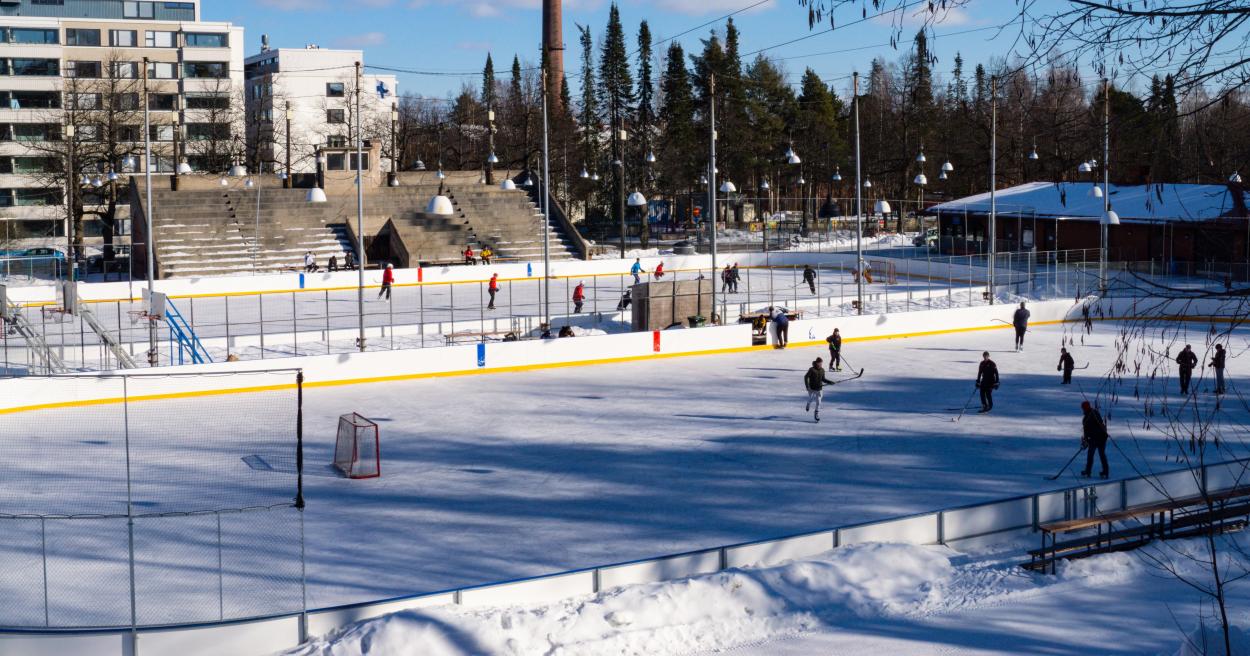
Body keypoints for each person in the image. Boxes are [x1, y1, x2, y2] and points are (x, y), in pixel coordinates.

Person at [1080, 400, 1109, 479]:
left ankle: (1088, 471)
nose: (1082, 410)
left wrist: (1085, 440)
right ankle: (1105, 471)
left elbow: (1086, 431)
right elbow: (1101, 423)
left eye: (1083, 408)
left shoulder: (1088, 417)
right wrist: (1085, 440)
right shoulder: (1095, 412)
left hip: (1095, 438)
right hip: (1102, 437)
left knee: (1091, 455)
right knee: (1101, 455)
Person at [804, 357, 836, 422]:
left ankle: (816, 414)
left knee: (819, 402)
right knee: (811, 399)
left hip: (819, 389)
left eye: (821, 363)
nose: (820, 364)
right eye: (819, 363)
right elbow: (806, 377)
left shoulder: (822, 370)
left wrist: (830, 382)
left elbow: (823, 379)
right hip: (812, 388)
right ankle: (808, 404)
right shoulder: (812, 369)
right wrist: (807, 386)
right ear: (816, 363)